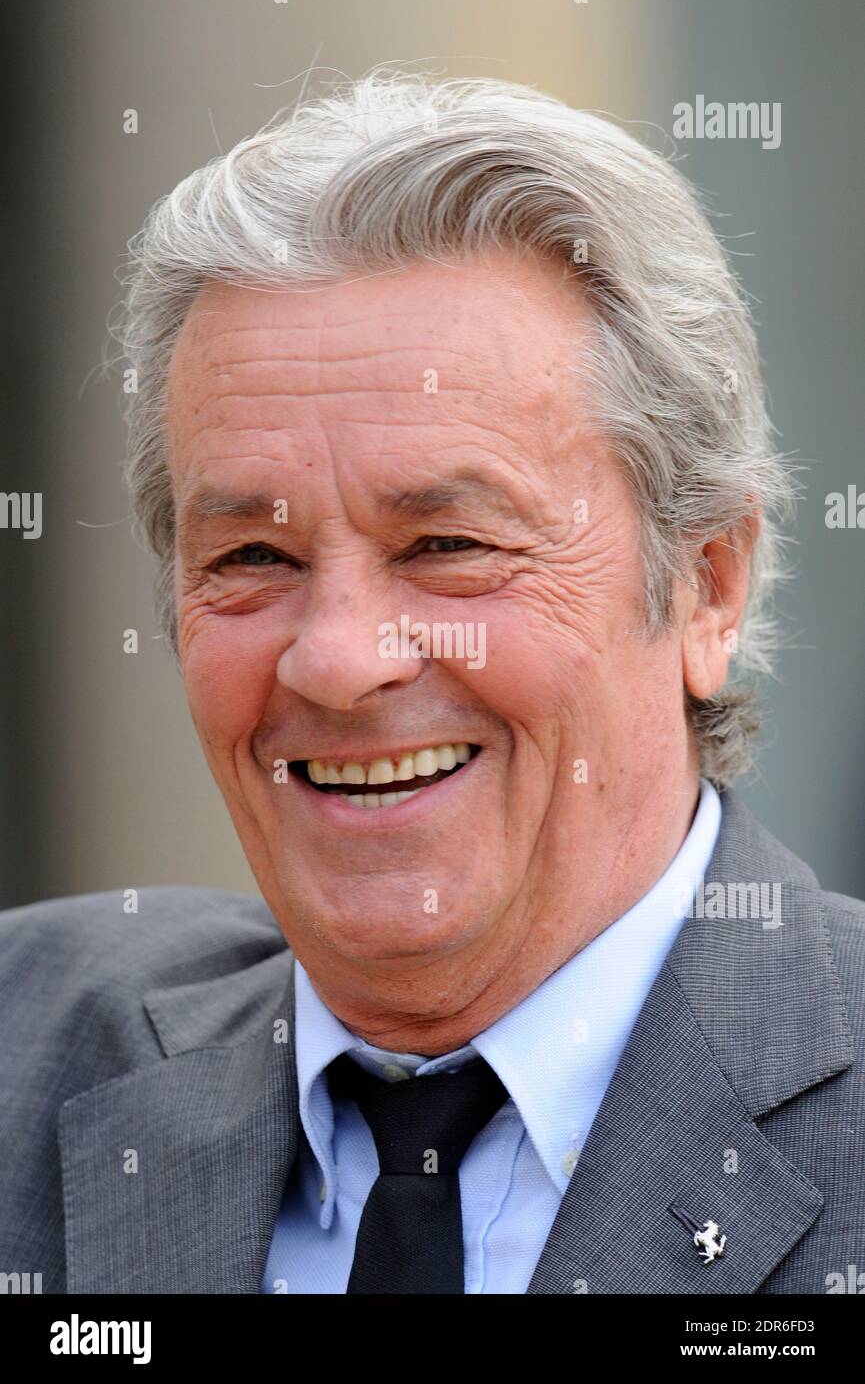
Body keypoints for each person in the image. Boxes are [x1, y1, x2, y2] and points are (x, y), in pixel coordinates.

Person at [1, 71, 862, 1295]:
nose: (341, 660)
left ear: (705, 583)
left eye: (449, 546)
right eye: (253, 557)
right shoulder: (23, 1050)